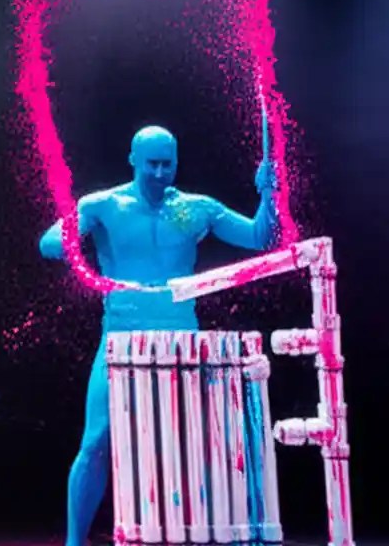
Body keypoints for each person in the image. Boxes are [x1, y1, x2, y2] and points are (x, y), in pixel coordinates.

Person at [38, 124, 279, 546]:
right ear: (133, 159)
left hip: (182, 340)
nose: (160, 172)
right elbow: (48, 245)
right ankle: (74, 542)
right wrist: (69, 236)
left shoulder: (196, 208)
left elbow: (261, 236)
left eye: (168, 164)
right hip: (122, 339)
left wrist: (269, 193)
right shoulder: (103, 205)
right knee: (96, 443)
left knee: (199, 442)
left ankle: (198, 533)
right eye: (151, 163)